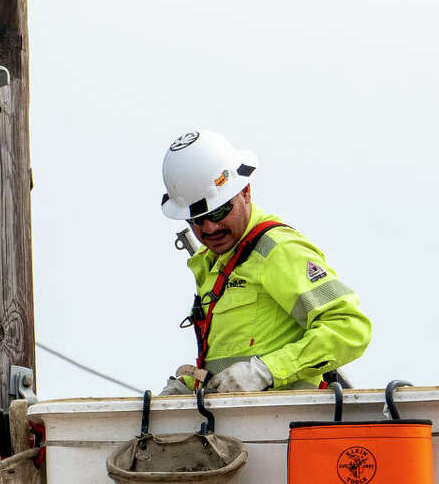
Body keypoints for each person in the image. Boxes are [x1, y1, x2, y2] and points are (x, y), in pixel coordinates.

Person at [157, 130, 371, 394]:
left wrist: (266, 371)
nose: (210, 228)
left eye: (220, 210)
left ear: (245, 192)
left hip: (281, 424)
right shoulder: (211, 264)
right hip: (234, 425)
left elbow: (350, 327)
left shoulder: (278, 250)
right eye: (197, 220)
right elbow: (230, 361)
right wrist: (190, 388)